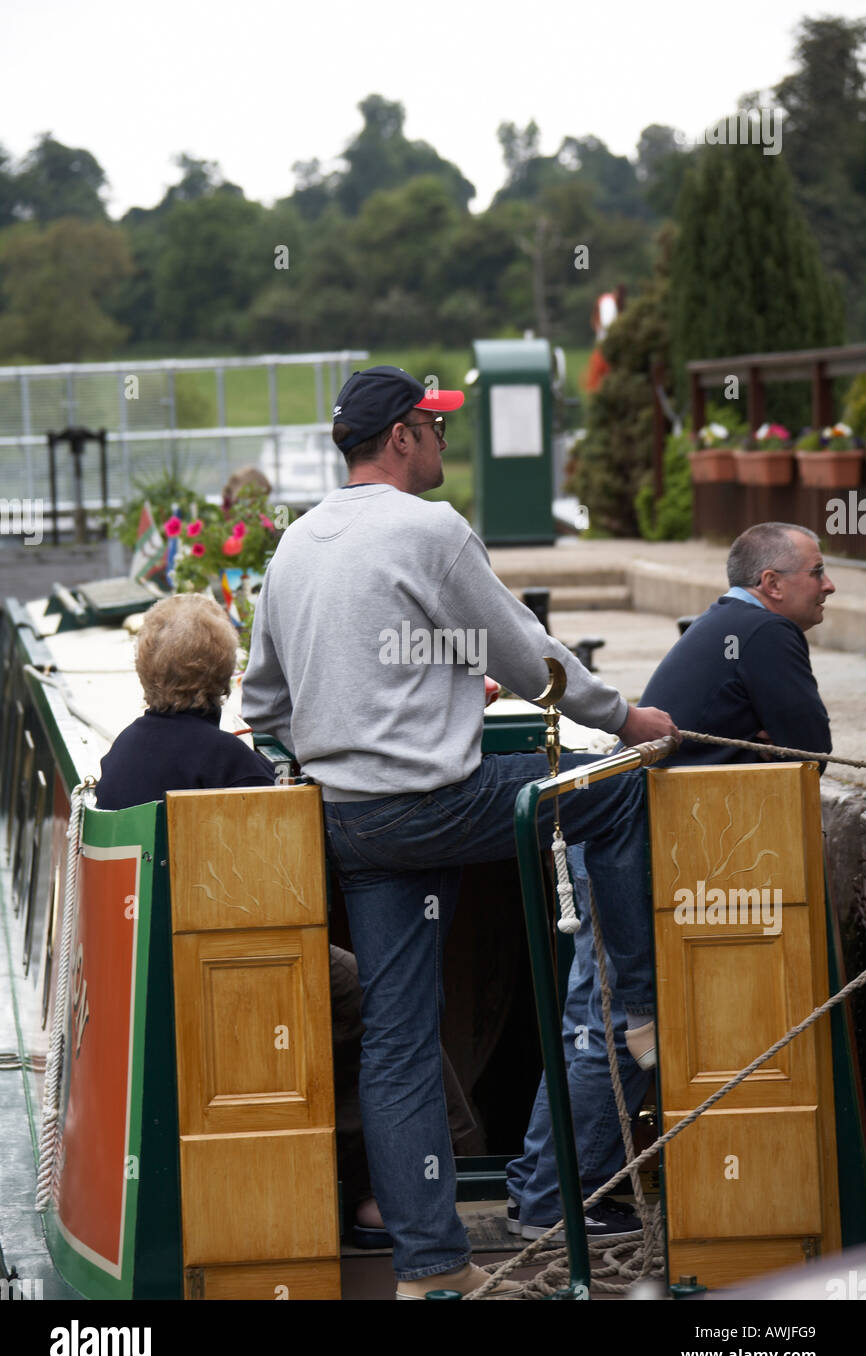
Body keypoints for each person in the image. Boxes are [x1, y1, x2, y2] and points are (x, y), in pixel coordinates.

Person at [241, 364, 679, 1298]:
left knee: (398, 1041)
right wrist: (624, 718)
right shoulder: (431, 528)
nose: (445, 443)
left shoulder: (294, 542)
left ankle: (432, 1269)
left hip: (350, 827)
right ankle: (637, 1005)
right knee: (613, 789)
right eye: (435, 428)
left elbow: (266, 701)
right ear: (401, 437)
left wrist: (416, 692)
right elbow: (531, 660)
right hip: (436, 809)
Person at [96, 593, 476, 1241]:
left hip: (146, 972)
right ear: (223, 677)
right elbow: (299, 891)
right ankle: (403, 1179)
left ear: (146, 672)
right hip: (237, 974)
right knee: (380, 1001)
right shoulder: (234, 765)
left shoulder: (119, 756)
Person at [506, 521, 834, 1242]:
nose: (830, 583)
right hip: (636, 855)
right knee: (617, 1028)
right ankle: (556, 1203)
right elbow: (813, 749)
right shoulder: (768, 634)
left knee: (592, 1024)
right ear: (772, 585)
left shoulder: (730, 627)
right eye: (816, 571)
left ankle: (539, 1187)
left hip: (612, 841)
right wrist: (772, 748)